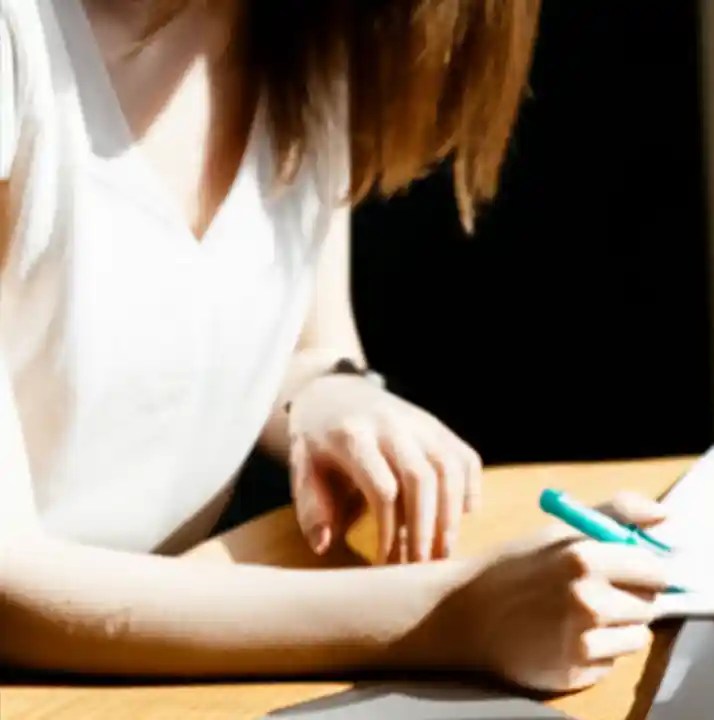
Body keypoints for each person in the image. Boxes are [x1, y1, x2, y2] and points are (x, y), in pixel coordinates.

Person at [0, 0, 669, 693]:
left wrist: (330, 392)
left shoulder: (309, 38)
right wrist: (452, 611)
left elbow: (302, 344)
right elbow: (8, 585)